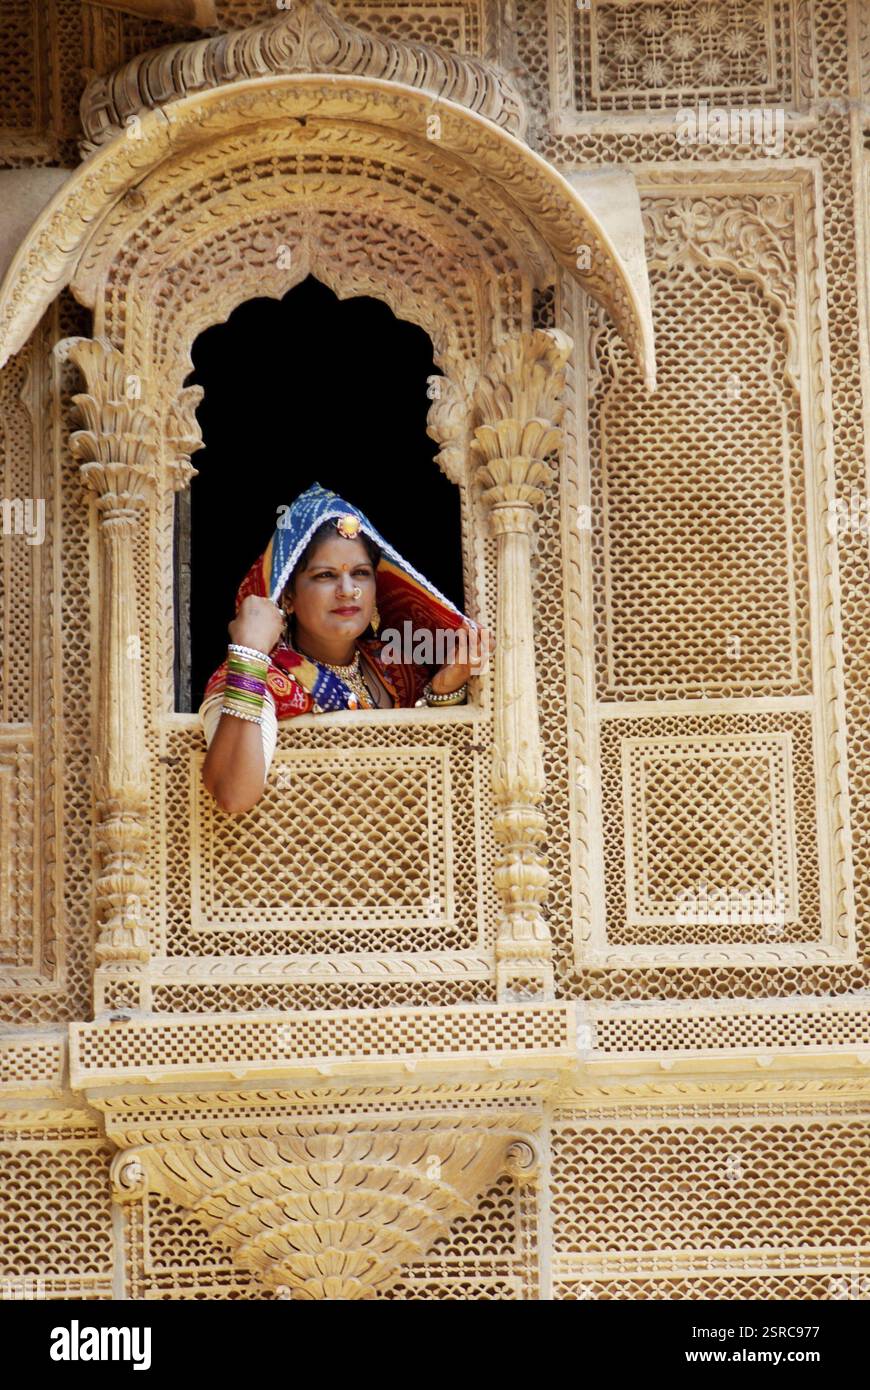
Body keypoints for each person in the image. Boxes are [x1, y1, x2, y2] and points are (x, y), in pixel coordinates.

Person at [200, 482, 490, 813]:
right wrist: (250, 652)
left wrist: (442, 691)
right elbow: (232, 795)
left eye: (361, 573)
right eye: (325, 576)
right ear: (289, 596)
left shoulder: (395, 667)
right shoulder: (261, 680)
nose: (348, 590)